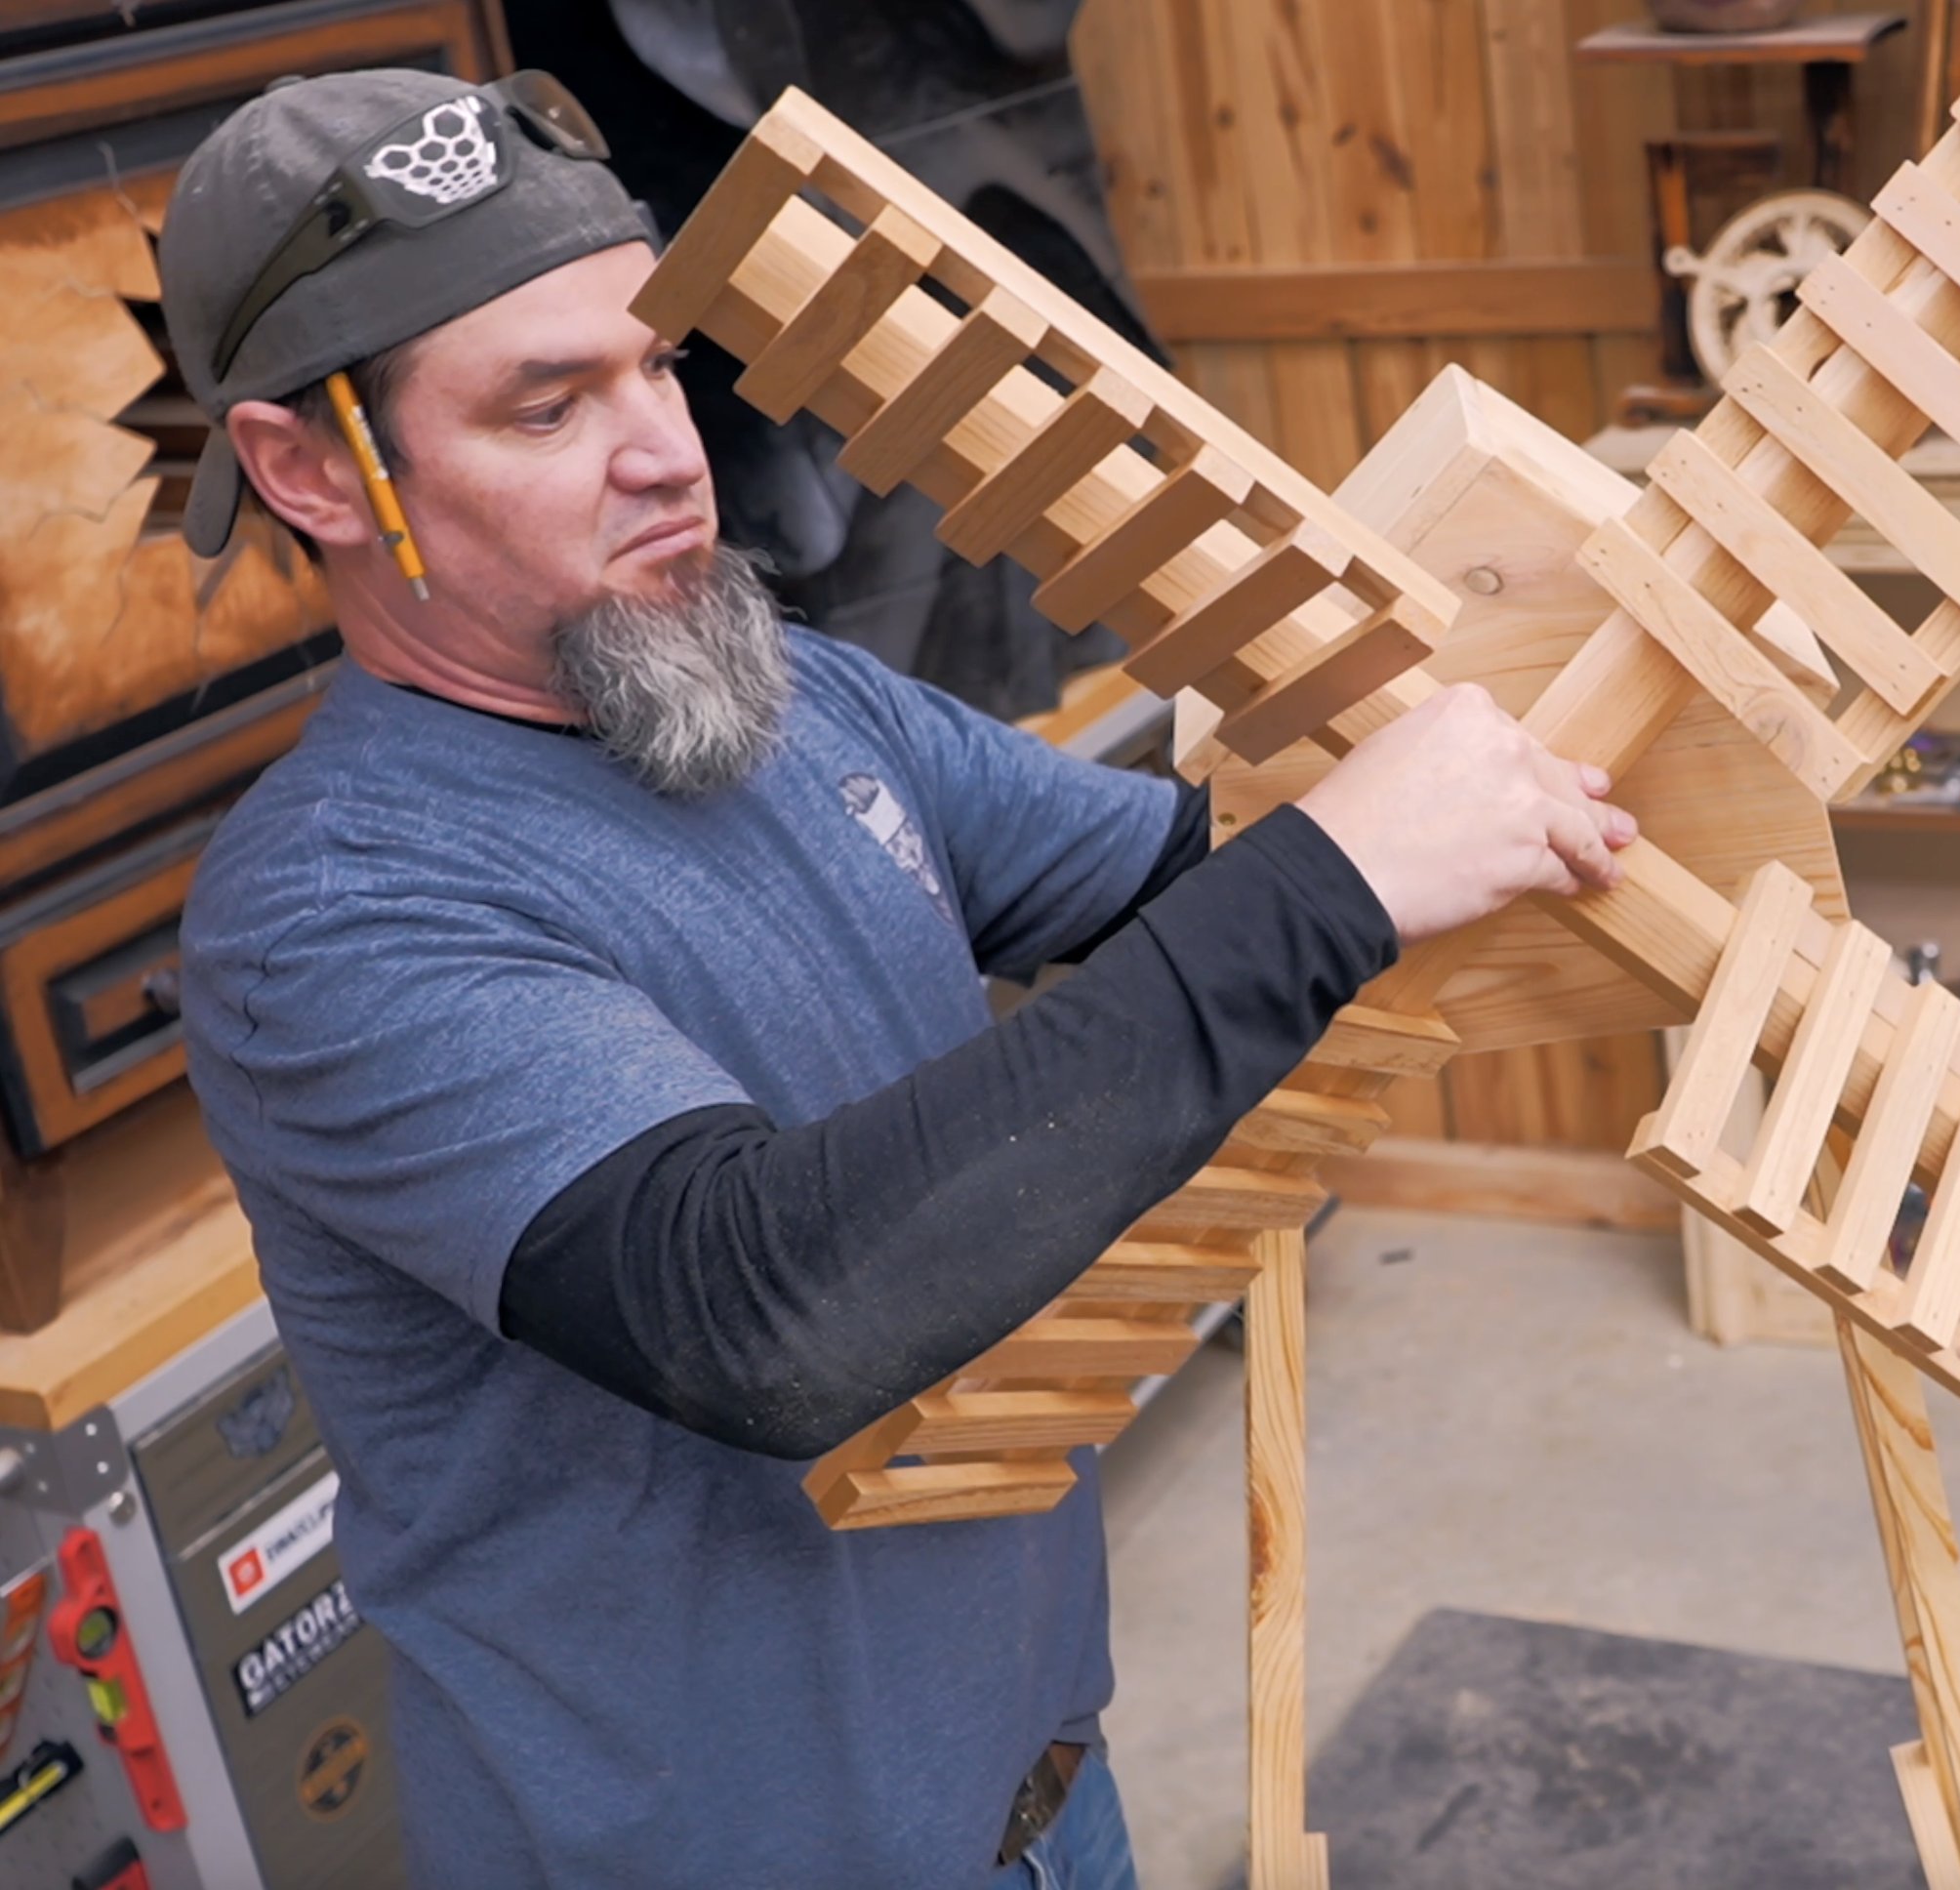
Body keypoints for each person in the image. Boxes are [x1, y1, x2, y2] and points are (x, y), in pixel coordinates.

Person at [161, 66, 1636, 1890]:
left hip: (1039, 1791)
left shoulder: (800, 700)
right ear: (313, 470)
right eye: (544, 407)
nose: (662, 453)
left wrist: (1534, 775)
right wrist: (1336, 875)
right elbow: (768, 1315)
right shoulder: (337, 910)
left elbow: (1177, 878)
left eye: (652, 365)